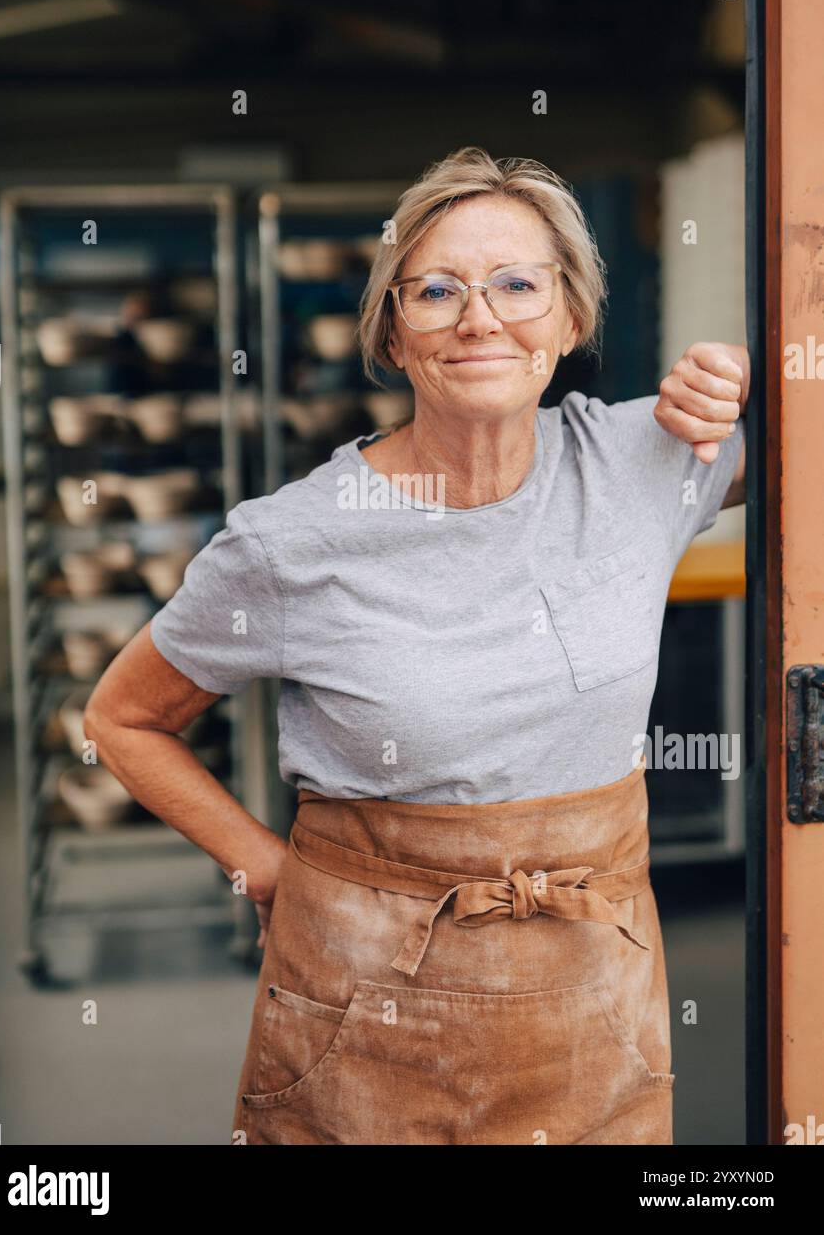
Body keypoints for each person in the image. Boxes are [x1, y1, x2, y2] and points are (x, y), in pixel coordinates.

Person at [85, 147, 748, 1145]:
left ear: (569, 319)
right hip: (367, 1014)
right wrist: (263, 872)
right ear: (391, 334)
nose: (478, 317)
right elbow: (122, 718)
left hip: (594, 1013)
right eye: (435, 290)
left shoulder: (643, 459)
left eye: (517, 284)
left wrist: (748, 384)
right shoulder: (292, 540)